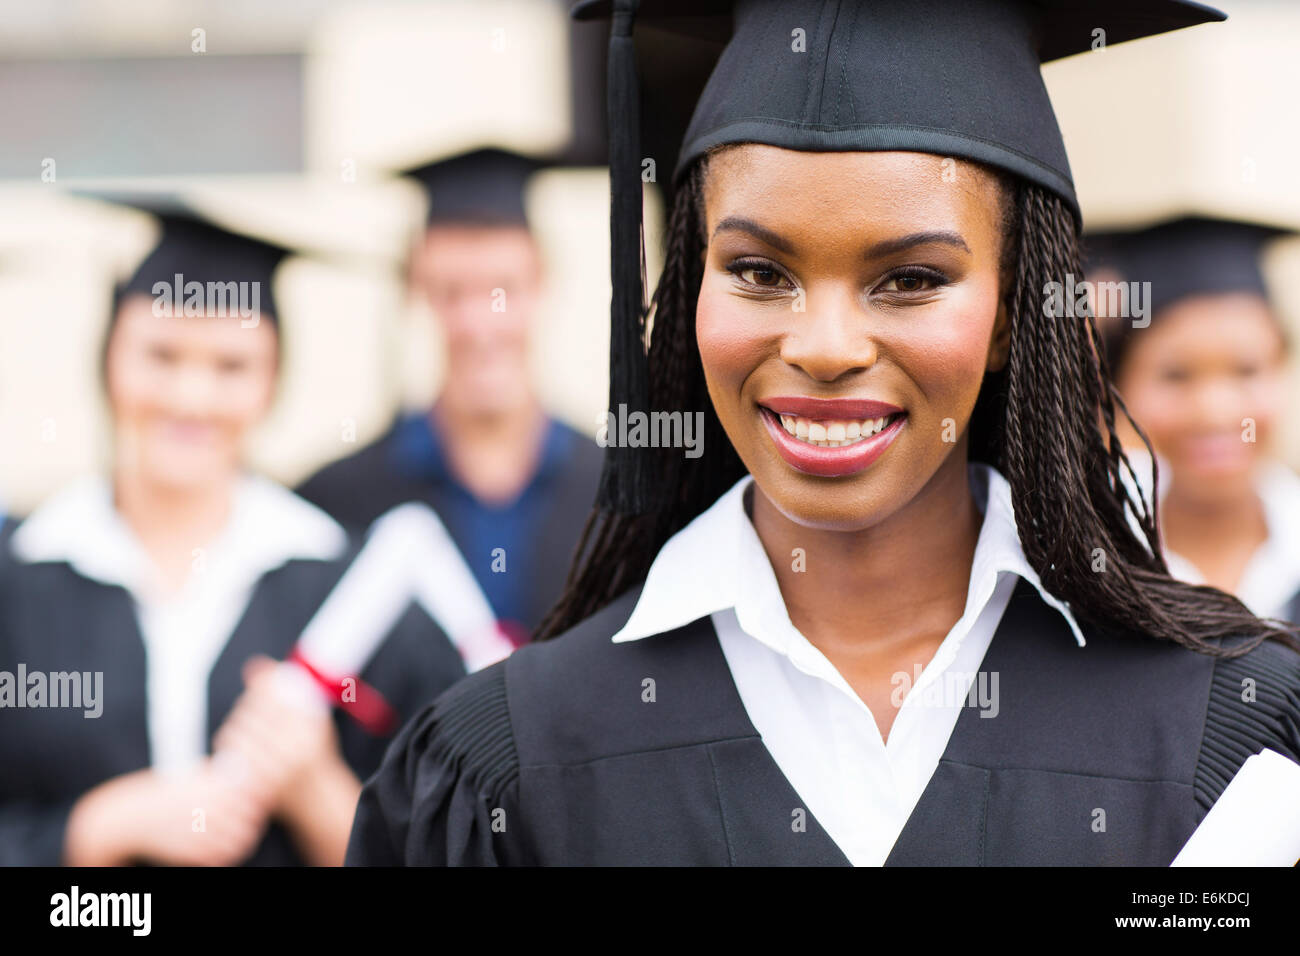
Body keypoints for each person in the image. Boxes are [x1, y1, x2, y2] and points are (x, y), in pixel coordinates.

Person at [347, 0, 1300, 866]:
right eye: (759, 272)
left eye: (913, 279)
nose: (826, 346)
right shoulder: (510, 769)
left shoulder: (1228, 741)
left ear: (1013, 312)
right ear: (690, 290)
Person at [0, 201, 492, 866]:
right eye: (162, 355)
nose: (191, 397)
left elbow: (445, 848)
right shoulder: (19, 581)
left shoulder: (353, 592)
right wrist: (97, 828)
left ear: (271, 381)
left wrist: (317, 793)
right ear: (109, 360)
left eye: (231, 366)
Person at [296, 148, 603, 642]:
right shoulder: (337, 501)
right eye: (451, 292)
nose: (478, 324)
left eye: (503, 288)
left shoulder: (621, 494)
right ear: (414, 291)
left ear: (542, 282)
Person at [1087, 217, 1300, 623]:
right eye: (1175, 375)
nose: (1215, 412)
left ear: (1284, 369)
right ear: (1119, 389)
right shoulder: (1092, 555)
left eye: (1247, 371)